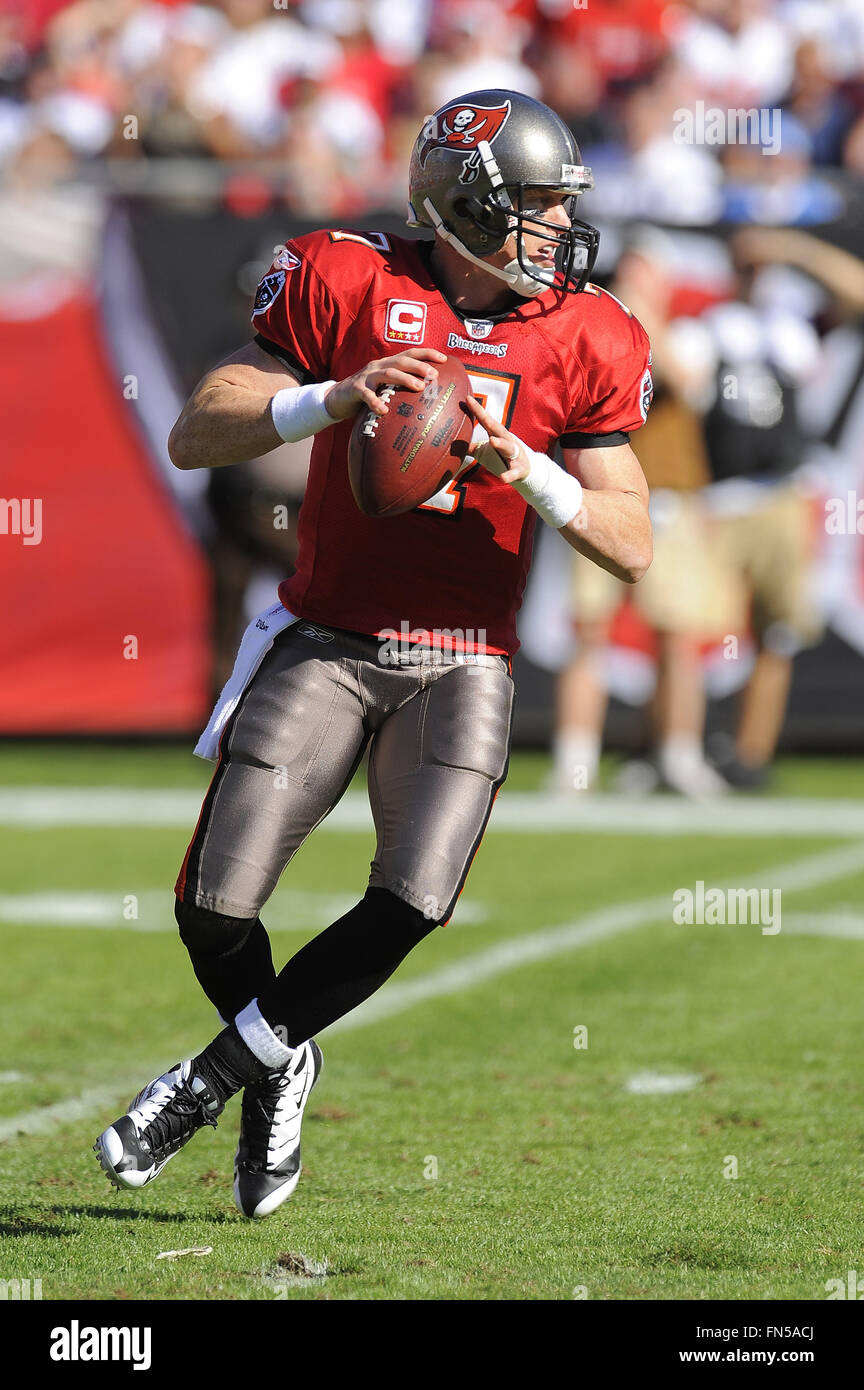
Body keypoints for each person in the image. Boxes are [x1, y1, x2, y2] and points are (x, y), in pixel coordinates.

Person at [94, 89, 653, 1219]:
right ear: (466, 205)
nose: (558, 232)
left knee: (415, 895)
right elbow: (199, 428)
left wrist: (526, 470)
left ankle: (215, 1077)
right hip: (330, 635)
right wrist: (330, 399)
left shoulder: (592, 332)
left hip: (464, 654)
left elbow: (632, 543)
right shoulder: (345, 274)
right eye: (537, 208)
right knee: (213, 903)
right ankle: (282, 1054)